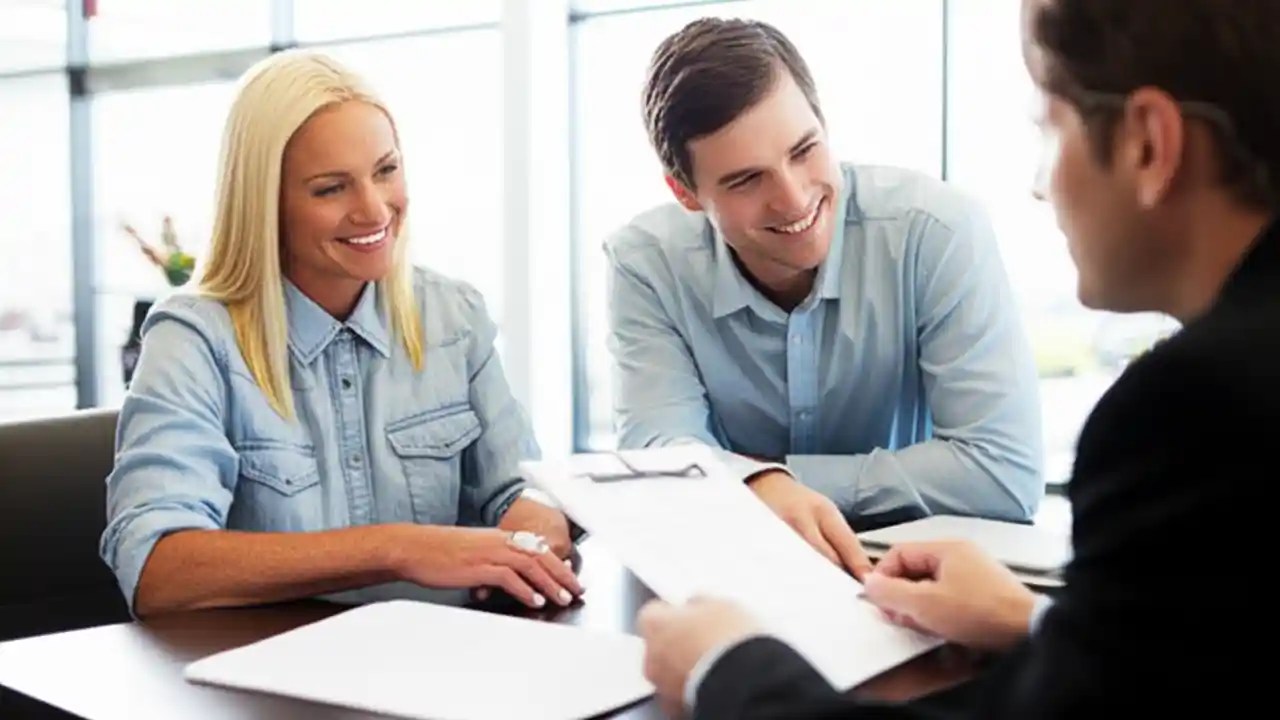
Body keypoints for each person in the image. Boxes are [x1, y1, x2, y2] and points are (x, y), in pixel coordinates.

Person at [636, 0, 1278, 716]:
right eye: (745, 179)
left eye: (1049, 131)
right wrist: (1034, 622)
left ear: (1150, 145)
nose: (1040, 184)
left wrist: (725, 667)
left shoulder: (1193, 409)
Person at [99, 50, 583, 619]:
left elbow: (519, 490)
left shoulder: (454, 315)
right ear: (265, 203)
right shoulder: (194, 339)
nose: (375, 209)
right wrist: (399, 550)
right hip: (267, 684)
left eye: (386, 170)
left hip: (448, 667)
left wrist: (535, 526)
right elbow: (158, 569)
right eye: (331, 189)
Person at [604, 16, 1045, 575]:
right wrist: (761, 487)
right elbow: (660, 461)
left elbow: (1001, 472)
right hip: (744, 577)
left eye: (804, 149)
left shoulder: (935, 229)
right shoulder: (646, 263)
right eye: (746, 180)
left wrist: (766, 479)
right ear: (685, 193)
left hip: (925, 581)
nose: (793, 199)